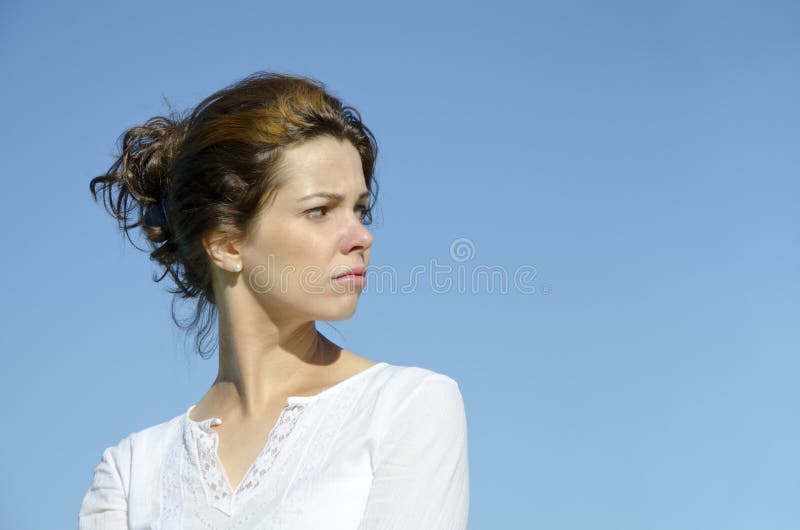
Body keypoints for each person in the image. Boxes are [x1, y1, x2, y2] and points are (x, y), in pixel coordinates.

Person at [79, 72, 469, 529]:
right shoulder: (131, 475)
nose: (362, 236)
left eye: (359, 209)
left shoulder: (407, 407)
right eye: (320, 210)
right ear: (226, 245)